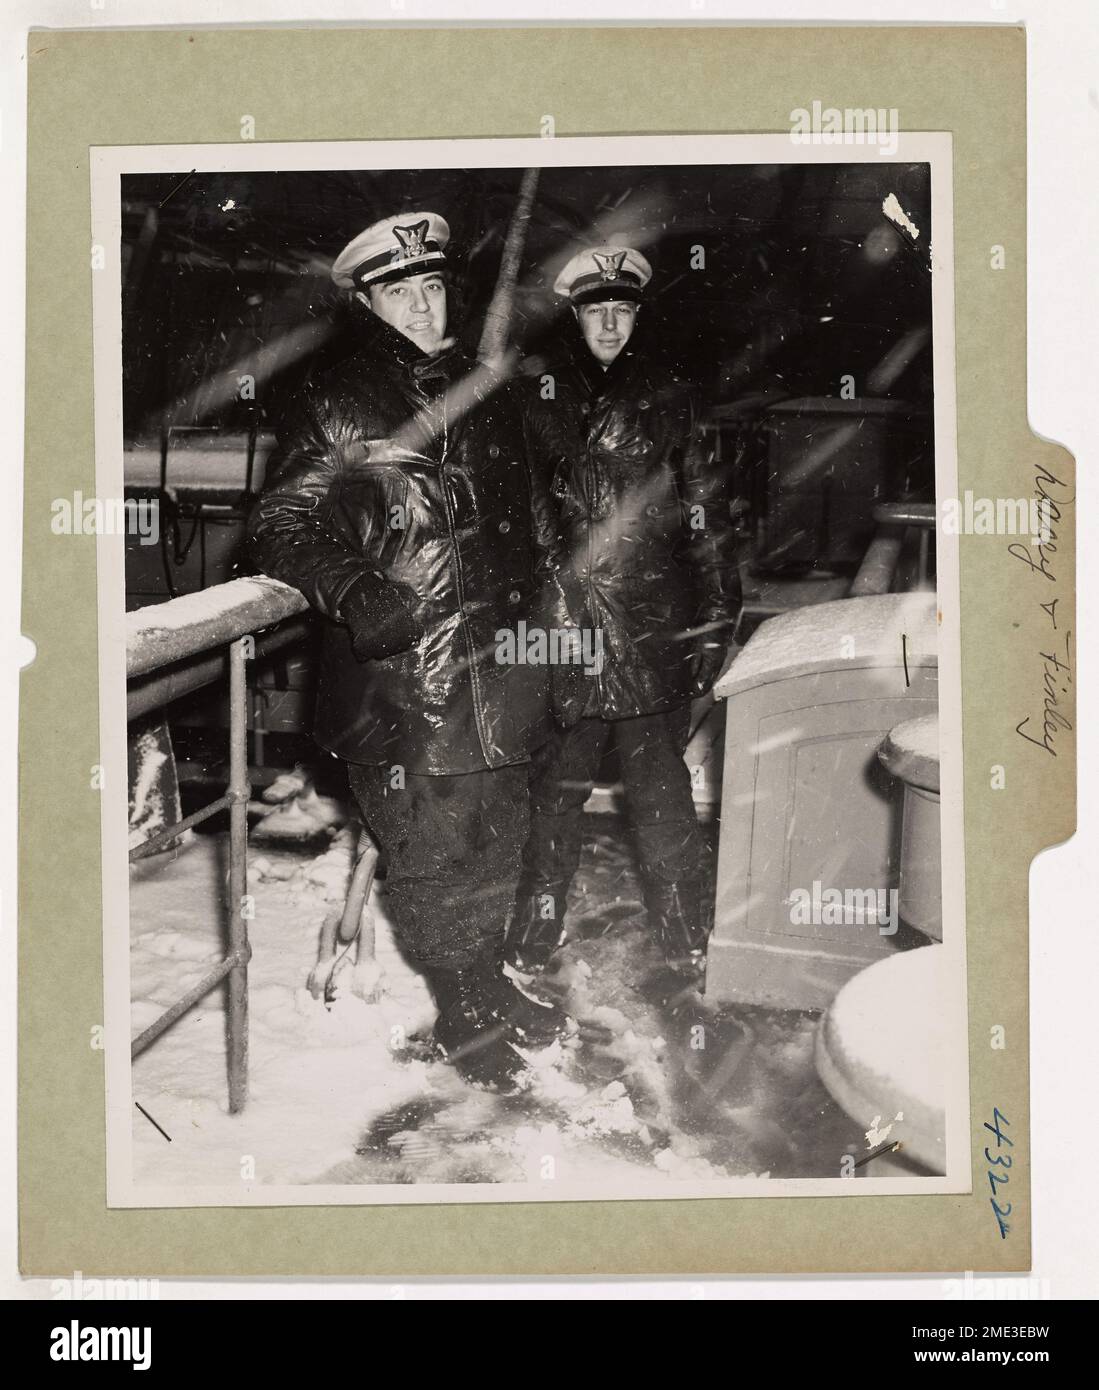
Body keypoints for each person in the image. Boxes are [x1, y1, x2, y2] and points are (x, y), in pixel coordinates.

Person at [248, 212, 577, 1091]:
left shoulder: (489, 389)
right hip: (405, 680)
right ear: (369, 302)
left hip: (503, 667)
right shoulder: (339, 401)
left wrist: (556, 637)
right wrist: (355, 591)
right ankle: (467, 1018)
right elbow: (280, 523)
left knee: (500, 842)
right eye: (403, 291)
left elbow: (541, 528)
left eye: (434, 287)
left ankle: (485, 985)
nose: (426, 306)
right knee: (433, 858)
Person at [506, 242, 741, 983]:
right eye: (595, 311)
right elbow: (512, 522)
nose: (609, 325)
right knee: (553, 796)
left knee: (661, 799)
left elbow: (708, 513)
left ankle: (686, 938)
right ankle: (530, 941)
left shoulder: (672, 394)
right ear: (573, 316)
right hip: (563, 631)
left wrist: (712, 621)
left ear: (636, 316)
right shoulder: (531, 397)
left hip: (646, 628)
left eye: (621, 310)